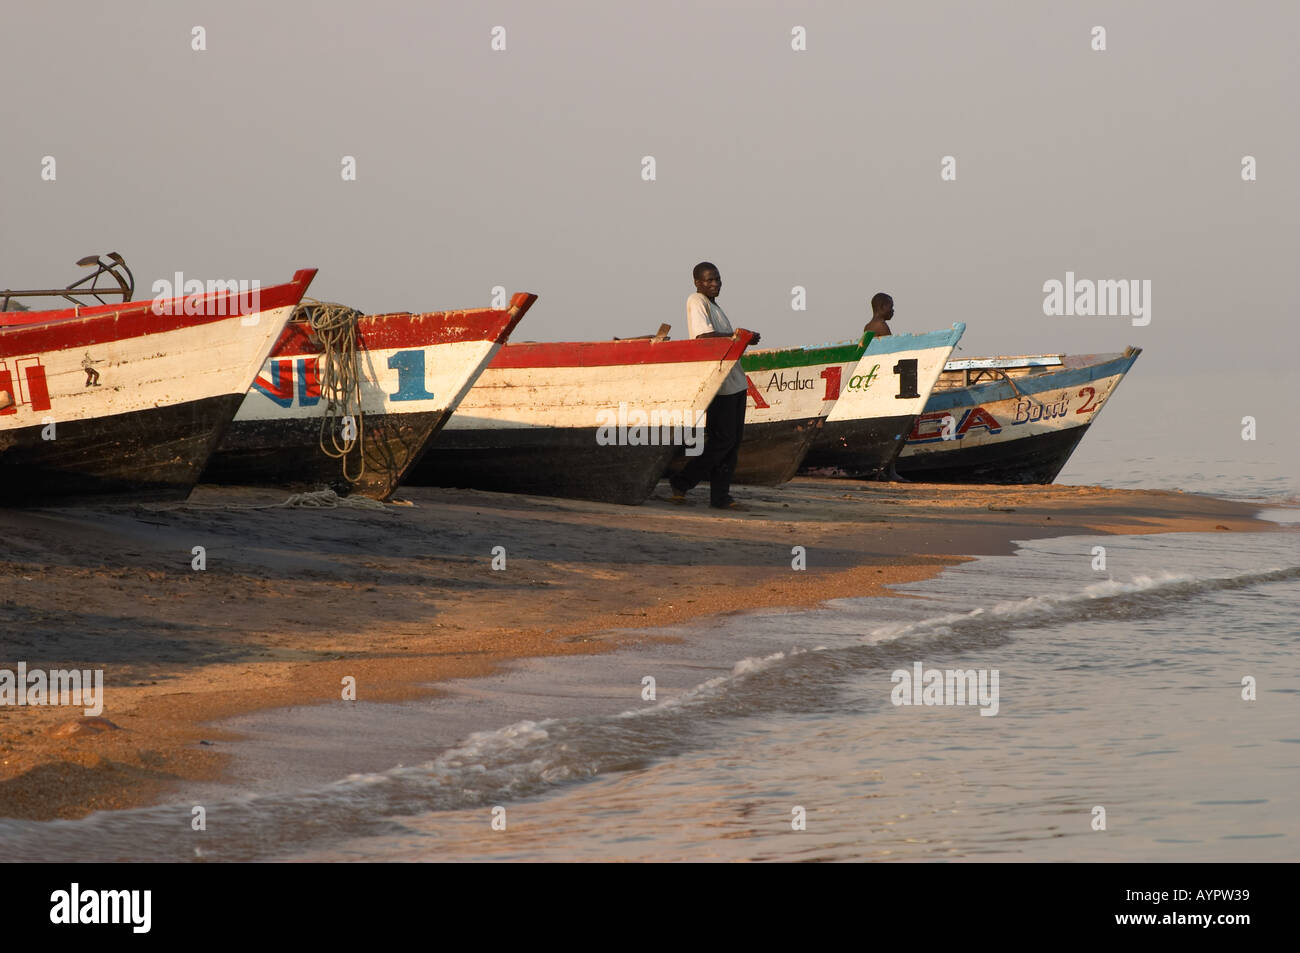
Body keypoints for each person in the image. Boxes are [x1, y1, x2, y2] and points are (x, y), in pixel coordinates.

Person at [669, 262, 760, 510]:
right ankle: (682, 481)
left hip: (736, 382)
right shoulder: (696, 301)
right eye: (709, 280)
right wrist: (740, 337)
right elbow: (703, 338)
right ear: (697, 282)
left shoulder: (715, 306)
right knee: (722, 440)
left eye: (717, 279)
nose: (715, 284)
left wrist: (743, 338)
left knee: (732, 443)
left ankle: (720, 497)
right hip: (719, 384)